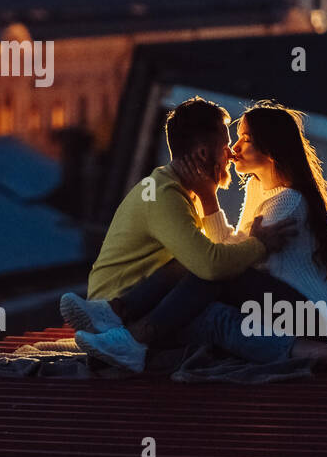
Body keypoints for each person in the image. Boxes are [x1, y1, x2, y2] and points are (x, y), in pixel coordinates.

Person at [68, 100, 327, 373]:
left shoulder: (288, 202)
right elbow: (230, 252)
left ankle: (132, 334)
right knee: (205, 269)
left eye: (243, 140)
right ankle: (121, 320)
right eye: (229, 143)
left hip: (305, 314)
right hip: (271, 302)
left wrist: (215, 208)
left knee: (210, 273)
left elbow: (229, 262)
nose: (233, 150)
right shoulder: (254, 189)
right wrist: (225, 218)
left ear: (271, 149)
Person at [59, 97, 298, 372]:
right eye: (224, 147)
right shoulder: (164, 195)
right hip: (136, 310)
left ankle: (117, 315)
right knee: (216, 316)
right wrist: (260, 245)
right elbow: (211, 265)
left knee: (201, 275)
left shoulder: (180, 190)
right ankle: (122, 329)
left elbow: (207, 260)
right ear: (204, 154)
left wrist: (210, 199)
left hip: (159, 301)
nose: (231, 155)